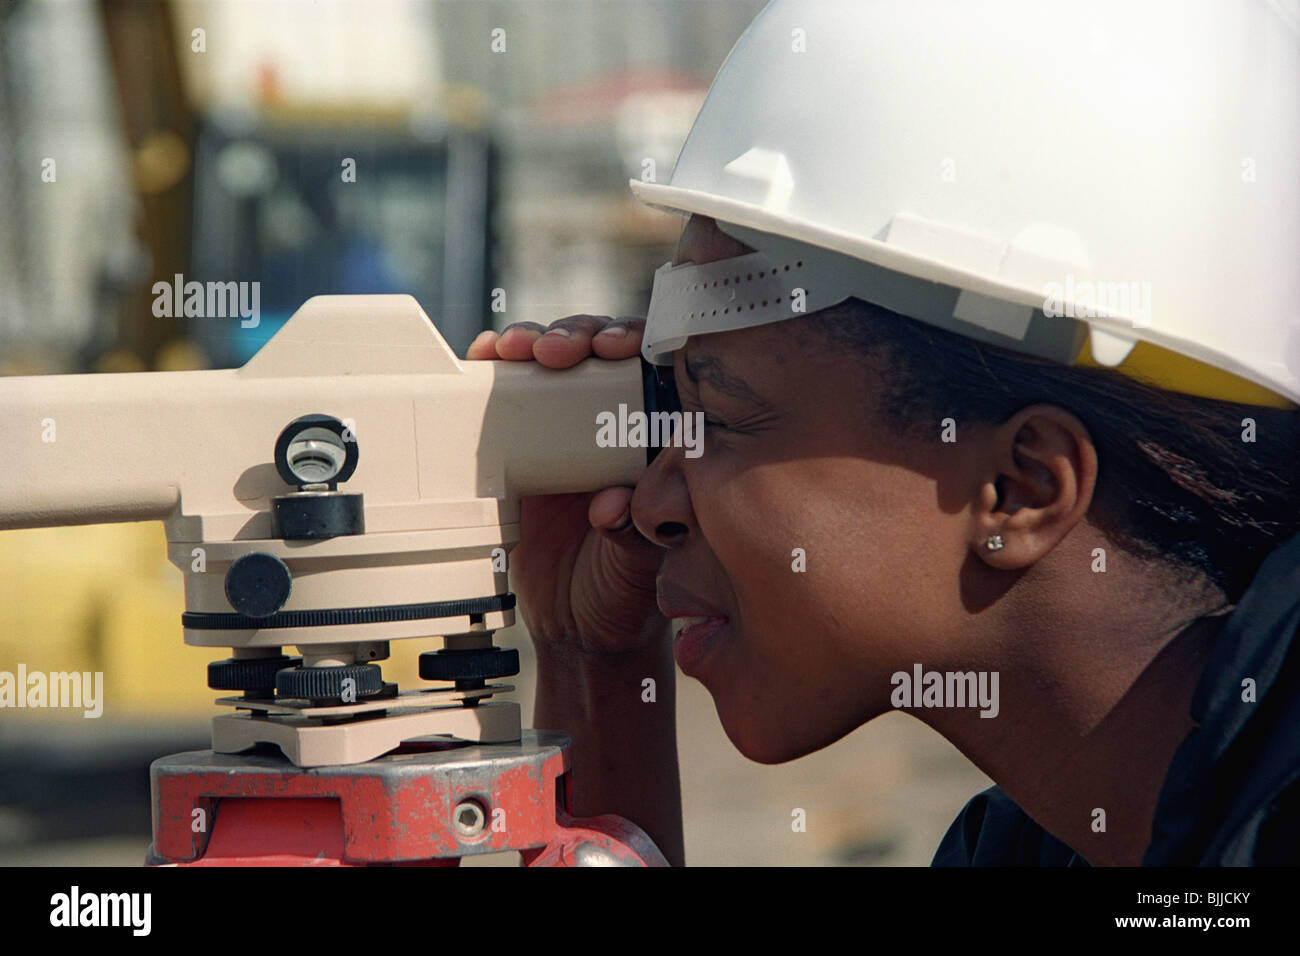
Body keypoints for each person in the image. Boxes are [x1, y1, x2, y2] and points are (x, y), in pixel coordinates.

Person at [467, 0, 1300, 866]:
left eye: (715, 413)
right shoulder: (1033, 846)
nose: (651, 504)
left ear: (1021, 490)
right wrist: (591, 663)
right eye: (664, 407)